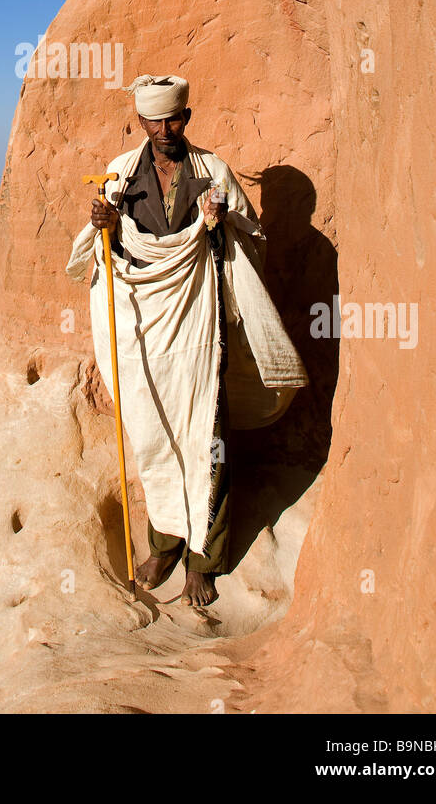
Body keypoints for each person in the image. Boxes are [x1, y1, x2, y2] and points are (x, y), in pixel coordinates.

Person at [66, 73, 309, 610]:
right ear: (141, 123)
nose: (164, 129)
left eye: (173, 118)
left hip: (199, 328)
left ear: (187, 118)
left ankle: (204, 559)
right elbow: (110, 256)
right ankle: (163, 545)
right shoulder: (121, 175)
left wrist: (219, 225)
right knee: (154, 435)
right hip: (144, 331)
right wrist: (103, 221)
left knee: (205, 436)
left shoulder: (212, 172)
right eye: (154, 120)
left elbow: (252, 241)